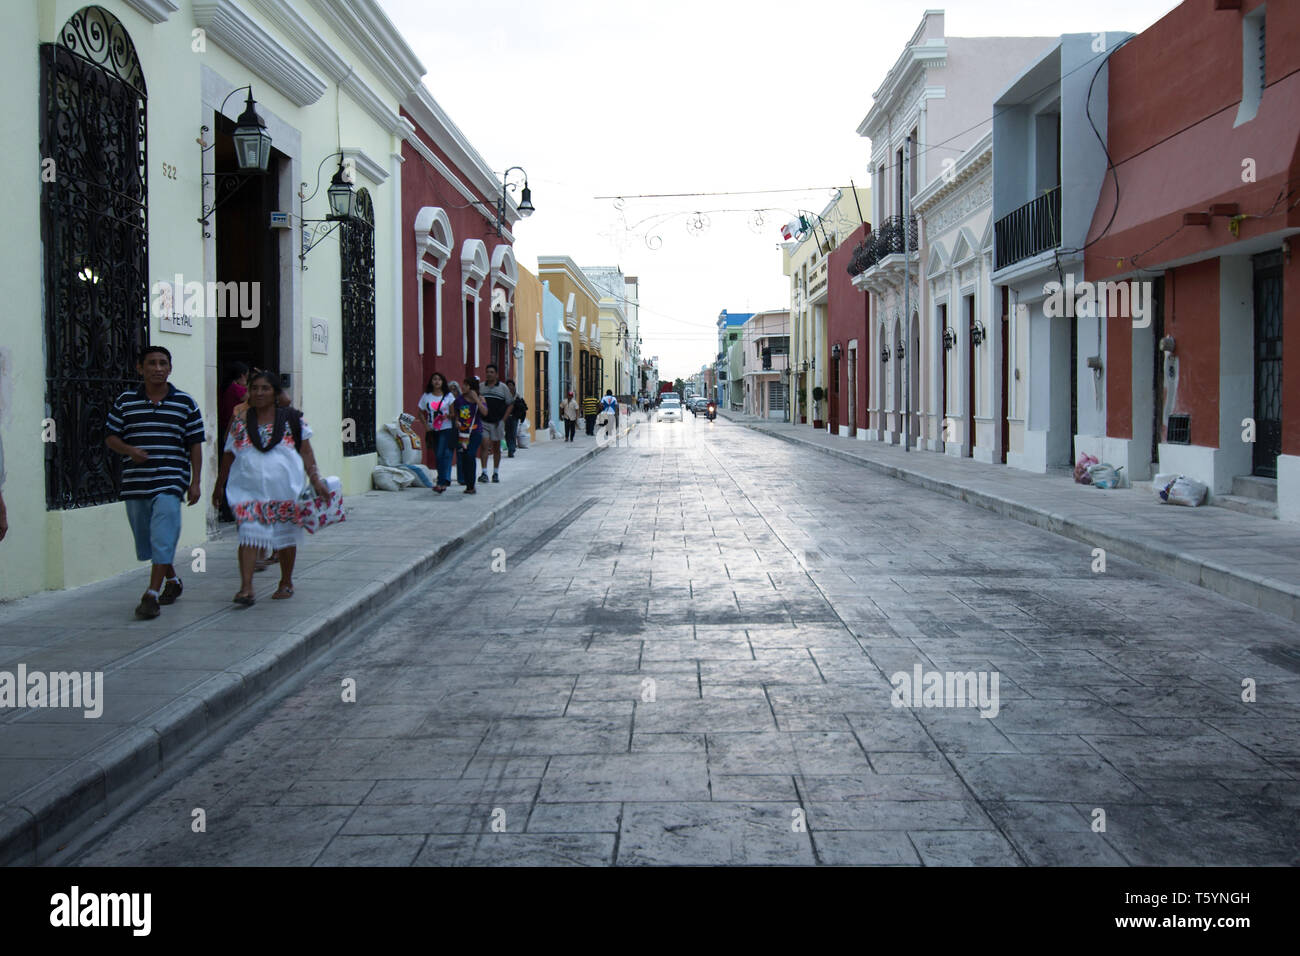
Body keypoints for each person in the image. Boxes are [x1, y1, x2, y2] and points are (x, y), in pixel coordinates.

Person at [105, 345, 205, 620]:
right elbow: (111, 437)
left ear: (170, 369)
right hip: (136, 482)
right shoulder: (125, 402)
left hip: (171, 479)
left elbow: (195, 444)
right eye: (152, 363)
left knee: (163, 534)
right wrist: (129, 451)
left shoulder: (185, 403)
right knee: (149, 541)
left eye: (163, 363)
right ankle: (172, 581)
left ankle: (151, 595)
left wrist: (195, 482)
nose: (158, 368)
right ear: (141, 368)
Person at [212, 370, 328, 605]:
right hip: (247, 490)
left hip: (284, 490)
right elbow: (228, 455)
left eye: (265, 388)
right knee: (248, 534)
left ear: (275, 392)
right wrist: (219, 486)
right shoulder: (240, 421)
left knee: (285, 537)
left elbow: (306, 451)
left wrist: (315, 478)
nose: (259, 392)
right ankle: (246, 588)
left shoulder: (293, 419)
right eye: (254, 388)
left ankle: (286, 582)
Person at [419, 372, 456, 493]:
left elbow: (453, 413)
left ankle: (441, 481)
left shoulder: (448, 396)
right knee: (437, 454)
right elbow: (420, 412)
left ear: (442, 382)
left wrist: (447, 416)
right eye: (434, 379)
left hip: (445, 428)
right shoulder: (426, 396)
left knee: (441, 454)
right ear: (431, 381)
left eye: (439, 379)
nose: (437, 382)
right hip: (432, 429)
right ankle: (443, 479)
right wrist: (426, 426)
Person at [477, 363, 511, 483]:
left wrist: (503, 420)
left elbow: (510, 404)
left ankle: (495, 472)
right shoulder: (481, 387)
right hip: (484, 421)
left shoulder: (503, 388)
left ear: (496, 375)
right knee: (485, 445)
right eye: (487, 372)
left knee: (496, 448)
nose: (489, 374)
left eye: (492, 372)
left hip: (497, 422)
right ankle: (484, 472)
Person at [454, 376, 488, 494]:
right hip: (463, 433)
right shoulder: (459, 400)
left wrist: (477, 400)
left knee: (470, 455)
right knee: (464, 457)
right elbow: (456, 414)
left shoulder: (481, 399)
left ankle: (471, 485)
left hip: (475, 432)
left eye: (466, 385)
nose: (463, 387)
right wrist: (456, 421)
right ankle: (467, 483)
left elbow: (485, 413)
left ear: (472, 387)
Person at [503, 379, 526, 458]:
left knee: (513, 433)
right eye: (508, 385)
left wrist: (521, 417)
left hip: (514, 418)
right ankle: (510, 447)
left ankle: (511, 449)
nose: (509, 387)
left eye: (511, 385)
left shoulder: (517, 396)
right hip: (506, 417)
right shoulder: (504, 396)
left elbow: (522, 407)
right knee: (507, 433)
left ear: (513, 386)